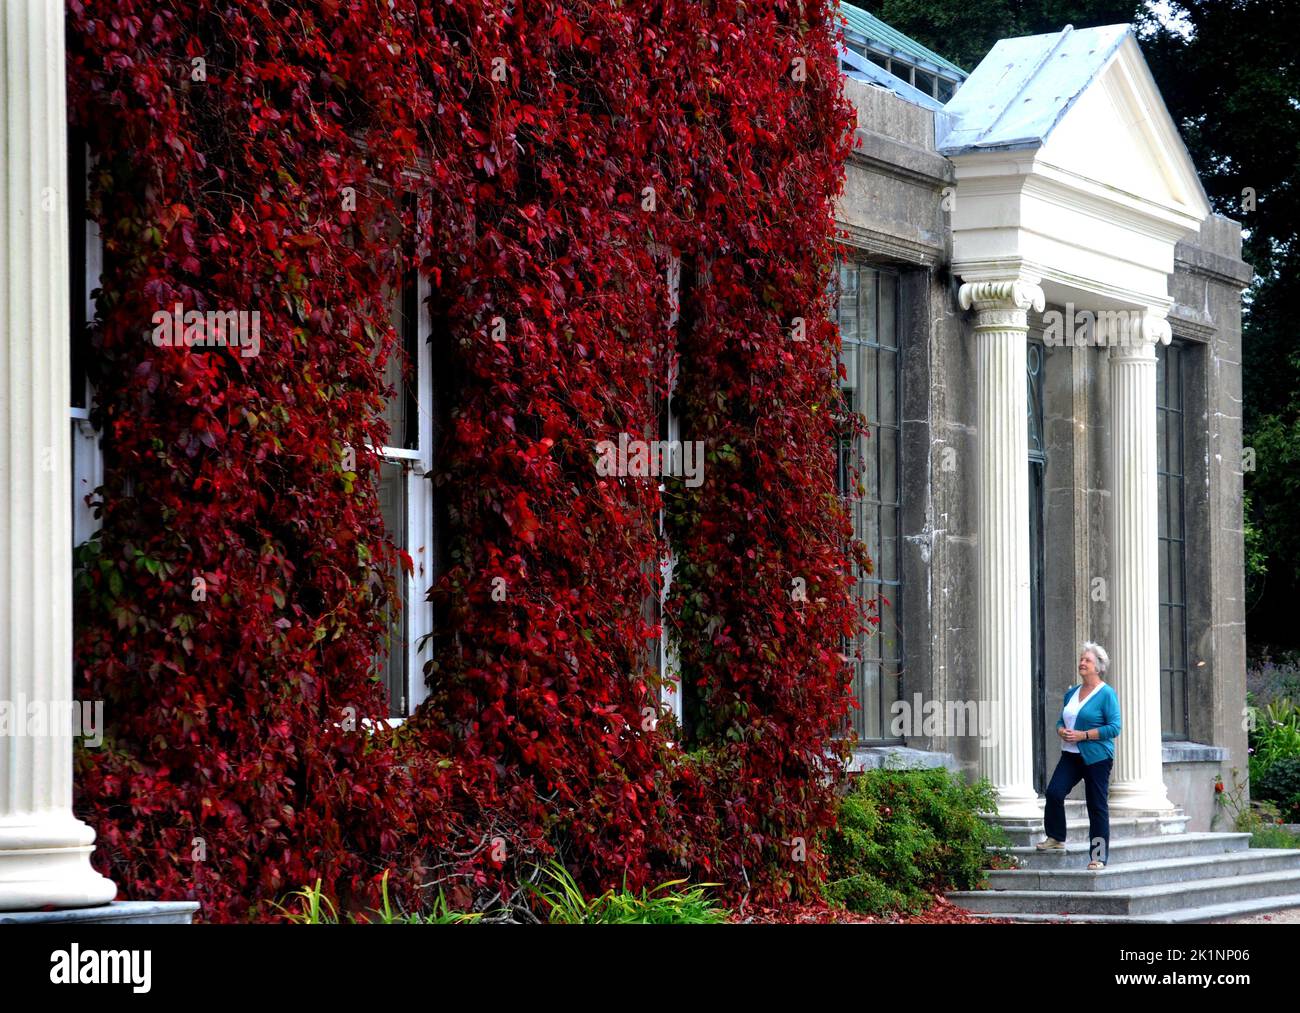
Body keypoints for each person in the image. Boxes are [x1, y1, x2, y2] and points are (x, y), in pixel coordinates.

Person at [1035, 642, 1122, 869]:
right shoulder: (1072, 693)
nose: (1082, 663)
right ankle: (1056, 837)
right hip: (1070, 755)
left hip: (1097, 758)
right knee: (1054, 793)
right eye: (1081, 659)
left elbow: (1114, 728)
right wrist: (1061, 730)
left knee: (1097, 807)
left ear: (1099, 667)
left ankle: (1099, 856)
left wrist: (1084, 735)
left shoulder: (1106, 694)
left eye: (1087, 660)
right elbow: (1061, 721)